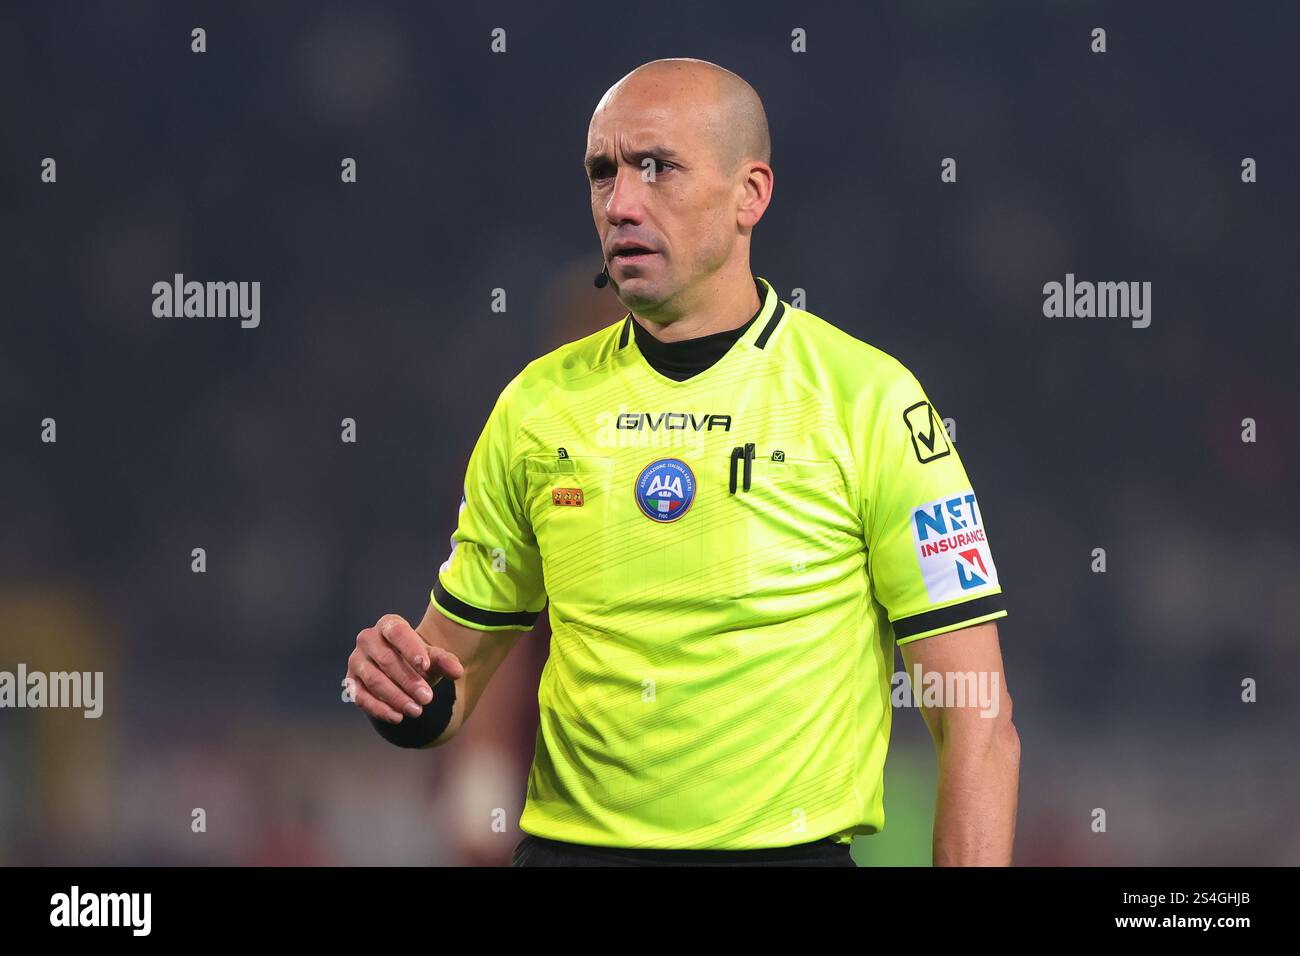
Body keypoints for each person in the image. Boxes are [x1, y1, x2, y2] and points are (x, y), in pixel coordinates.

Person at [345, 57, 1019, 867]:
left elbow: (978, 722)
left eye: (657, 167)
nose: (621, 203)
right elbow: (453, 679)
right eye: (603, 173)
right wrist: (404, 689)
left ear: (751, 194)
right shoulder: (535, 407)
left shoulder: (872, 403)